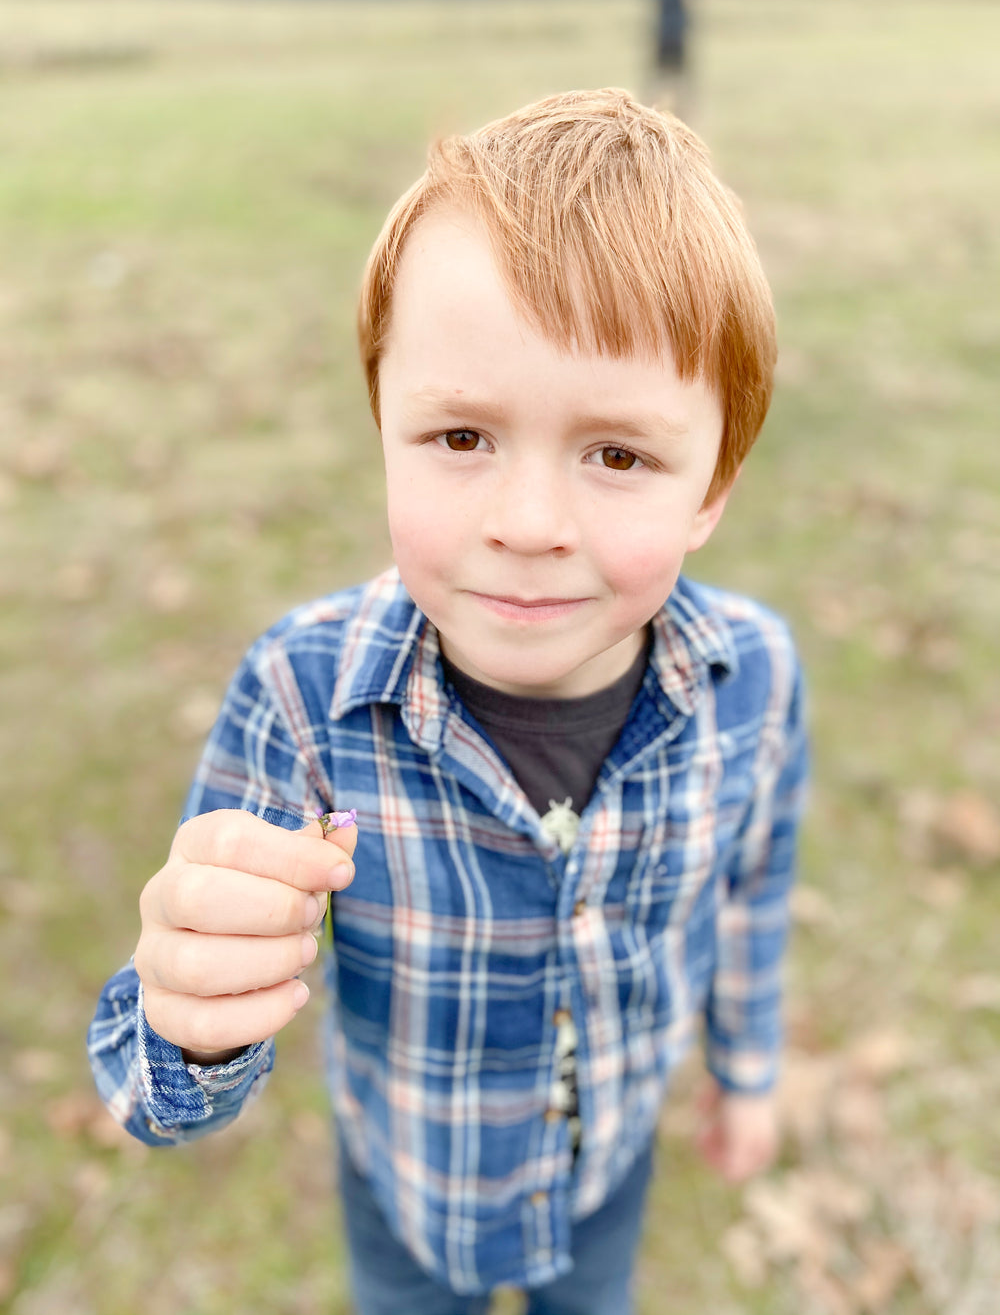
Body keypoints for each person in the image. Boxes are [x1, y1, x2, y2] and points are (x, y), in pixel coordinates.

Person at [88, 88, 808, 1315]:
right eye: (461, 437)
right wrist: (191, 1018)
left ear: (710, 490)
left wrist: (744, 1073)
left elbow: (752, 890)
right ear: (384, 427)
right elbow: (148, 1092)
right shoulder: (306, 697)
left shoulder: (754, 681)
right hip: (410, 1192)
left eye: (618, 454)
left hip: (603, 1174)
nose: (525, 526)